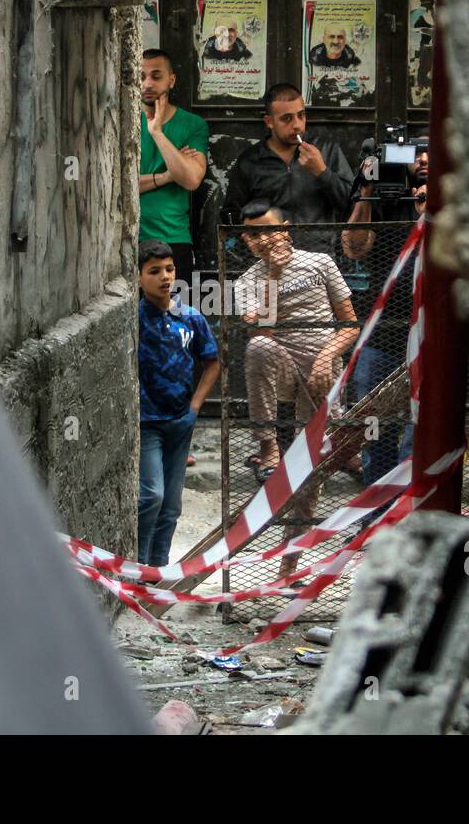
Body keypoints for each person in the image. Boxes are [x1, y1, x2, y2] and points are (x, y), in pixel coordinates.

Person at [236, 200, 359, 579]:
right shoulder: (246, 282)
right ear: (245, 240)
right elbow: (263, 331)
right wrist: (272, 275)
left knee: (311, 472)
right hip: (283, 368)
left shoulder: (321, 262)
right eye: (254, 235)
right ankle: (267, 445)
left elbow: (350, 325)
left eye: (270, 230)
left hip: (323, 370)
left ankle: (288, 565)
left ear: (286, 228)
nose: (264, 240)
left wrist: (327, 356)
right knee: (257, 347)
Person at [340, 140, 429, 486]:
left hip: (429, 337)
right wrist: (365, 190)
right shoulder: (387, 200)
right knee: (374, 428)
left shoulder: (455, 202)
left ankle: (409, 513)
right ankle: (374, 515)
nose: (422, 159)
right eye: (415, 153)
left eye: (429, 151)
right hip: (385, 334)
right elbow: (355, 248)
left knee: (418, 433)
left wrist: (431, 214)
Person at [137, 241, 221, 567]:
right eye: (154, 271)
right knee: (151, 496)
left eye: (169, 269)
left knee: (171, 505)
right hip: (147, 422)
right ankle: (137, 568)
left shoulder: (189, 316)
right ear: (138, 277)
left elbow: (212, 362)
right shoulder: (135, 319)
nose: (164, 277)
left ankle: (157, 570)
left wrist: (195, 408)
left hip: (180, 421)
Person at [226, 83, 354, 254]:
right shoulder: (251, 161)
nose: (297, 125)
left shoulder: (327, 151)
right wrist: (258, 240)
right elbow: (231, 216)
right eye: (287, 118)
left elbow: (353, 204)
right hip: (268, 262)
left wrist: (322, 172)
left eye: (301, 116)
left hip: (318, 259)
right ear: (269, 122)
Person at [139, 49, 209, 288]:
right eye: (141, 76)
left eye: (156, 76)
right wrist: (168, 176)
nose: (147, 83)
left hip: (173, 240)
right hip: (126, 240)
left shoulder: (192, 125)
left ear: (172, 79)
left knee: (173, 321)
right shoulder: (118, 121)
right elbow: (115, 187)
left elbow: (190, 179)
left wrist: (157, 133)